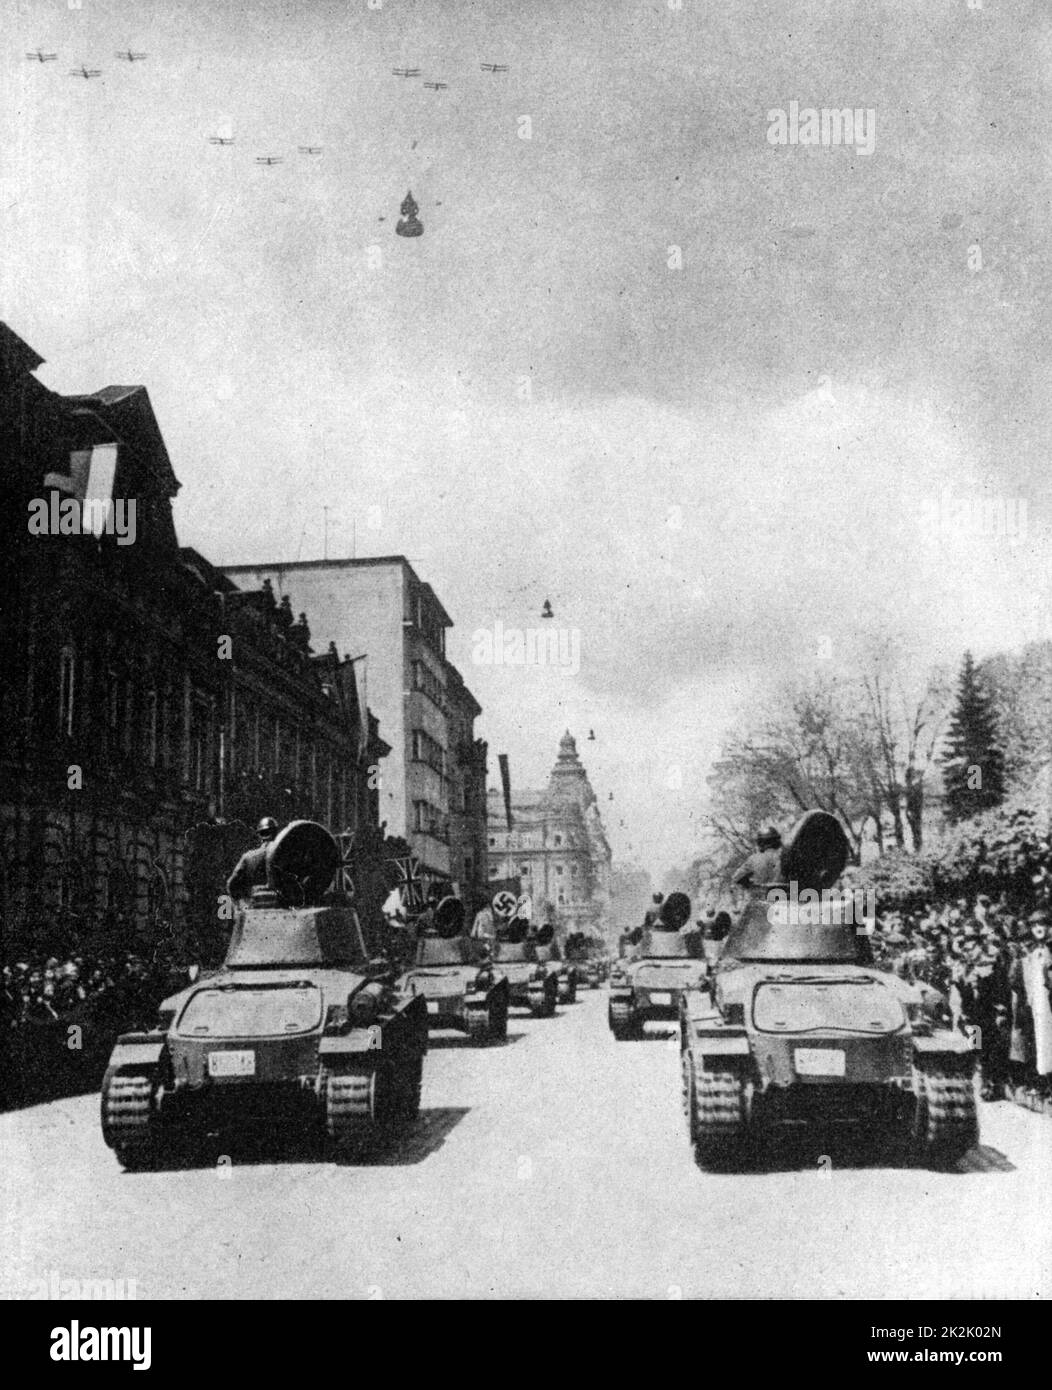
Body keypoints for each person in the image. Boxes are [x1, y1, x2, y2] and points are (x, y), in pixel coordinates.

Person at [227, 816, 279, 902]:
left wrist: (242, 901)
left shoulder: (248, 857)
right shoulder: (287, 855)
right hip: (284, 907)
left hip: (255, 906)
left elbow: (231, 884)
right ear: (277, 833)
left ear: (259, 835)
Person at [733, 826, 784, 896]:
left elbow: (736, 878)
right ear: (777, 841)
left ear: (760, 843)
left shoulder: (753, 859)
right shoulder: (787, 856)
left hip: (762, 900)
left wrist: (750, 885)